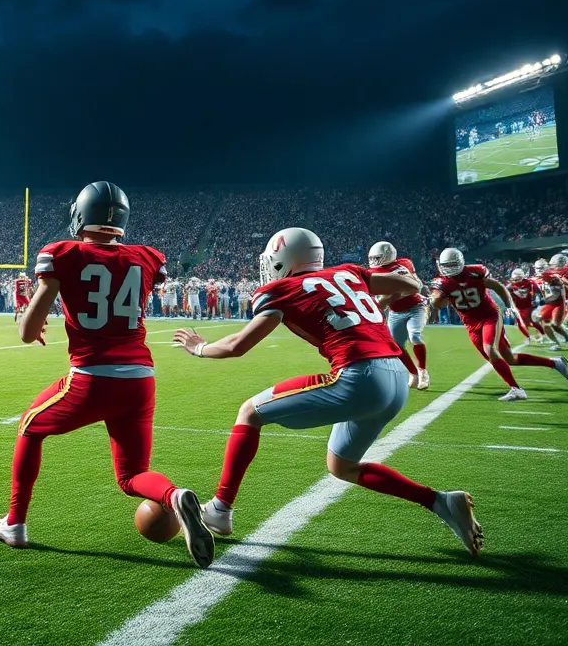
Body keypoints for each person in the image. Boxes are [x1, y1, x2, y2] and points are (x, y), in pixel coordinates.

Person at [174, 228, 484, 556]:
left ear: (282, 259)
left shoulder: (282, 289)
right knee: (342, 466)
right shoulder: (349, 272)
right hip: (395, 377)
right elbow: (411, 285)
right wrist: (374, 296)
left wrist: (199, 347)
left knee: (250, 413)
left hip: (358, 376)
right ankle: (441, 502)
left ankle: (220, 510)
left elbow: (237, 345)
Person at [0, 181, 215, 568]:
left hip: (92, 376)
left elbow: (27, 333)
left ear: (80, 215)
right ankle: (174, 496)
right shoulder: (146, 256)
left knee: (29, 427)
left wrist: (33, 316)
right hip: (141, 378)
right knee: (132, 475)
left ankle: (16, 523)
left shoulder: (63, 252)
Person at [429, 248, 568, 402]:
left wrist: (509, 306)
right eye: (447, 265)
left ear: (460, 262)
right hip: (470, 324)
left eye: (453, 264)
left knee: (490, 349)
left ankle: (516, 389)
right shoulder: (442, 282)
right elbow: (438, 303)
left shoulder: (475, 273)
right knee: (509, 359)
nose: (450, 269)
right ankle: (555, 363)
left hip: (489, 316)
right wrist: (435, 301)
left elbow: (497, 287)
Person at [367, 241, 430, 390]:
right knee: (396, 345)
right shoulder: (372, 273)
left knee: (415, 336)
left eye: (377, 257)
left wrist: (391, 296)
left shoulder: (401, 265)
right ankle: (413, 373)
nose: (373, 261)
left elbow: (415, 287)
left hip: (416, 307)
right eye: (372, 258)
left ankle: (422, 371)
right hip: (396, 312)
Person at [506, 267, 545, 345]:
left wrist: (537, 299)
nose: (515, 281)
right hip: (518, 307)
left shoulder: (530, 283)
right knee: (521, 324)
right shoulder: (509, 287)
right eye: (514, 279)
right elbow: (508, 299)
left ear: (522, 277)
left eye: (518, 279)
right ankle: (528, 337)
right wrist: (510, 308)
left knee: (533, 321)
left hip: (530, 305)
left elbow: (539, 292)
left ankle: (543, 334)